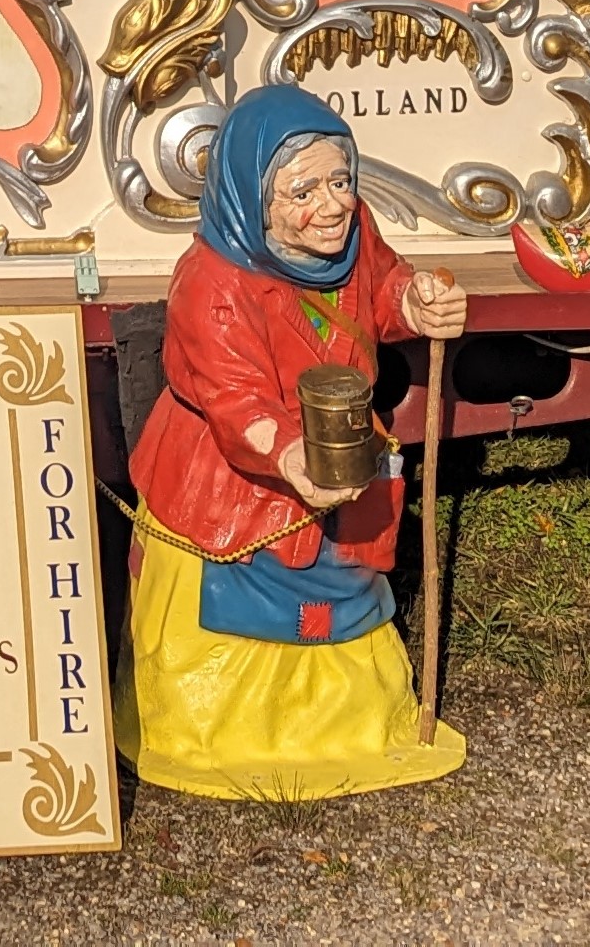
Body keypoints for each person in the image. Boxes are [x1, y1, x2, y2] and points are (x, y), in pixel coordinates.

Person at [122, 84, 469, 798]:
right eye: (302, 190)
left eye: (340, 179)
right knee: (238, 604)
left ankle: (340, 726)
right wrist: (287, 458)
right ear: (254, 199)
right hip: (229, 488)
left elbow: (378, 285)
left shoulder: (350, 234)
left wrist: (413, 300)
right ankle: (222, 730)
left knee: (342, 591)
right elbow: (232, 397)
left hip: (340, 453)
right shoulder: (212, 285)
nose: (334, 204)